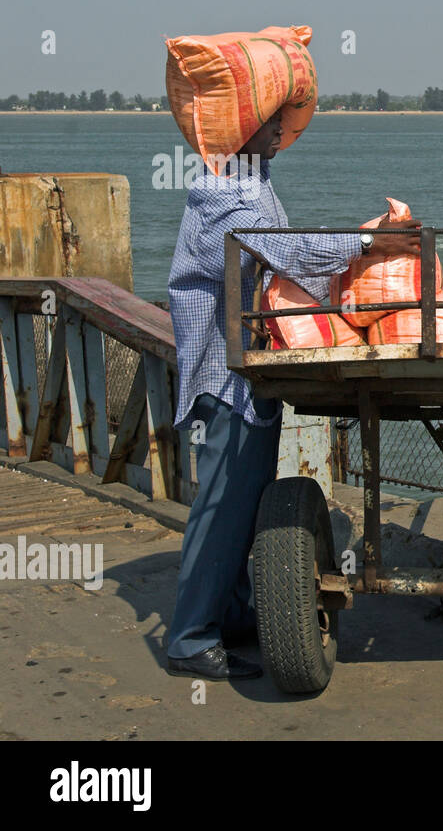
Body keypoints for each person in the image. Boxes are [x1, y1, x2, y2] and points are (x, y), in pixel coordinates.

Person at [165, 107, 420, 681]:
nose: (283, 130)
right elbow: (290, 251)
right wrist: (365, 242)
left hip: (249, 371)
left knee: (244, 501)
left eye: (285, 118)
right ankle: (189, 637)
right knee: (223, 507)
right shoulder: (221, 192)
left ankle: (230, 616)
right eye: (270, 120)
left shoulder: (252, 181)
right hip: (223, 373)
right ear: (237, 126)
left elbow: (289, 252)